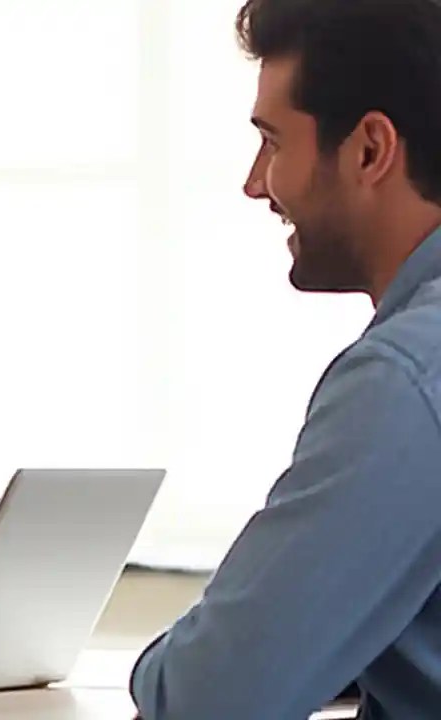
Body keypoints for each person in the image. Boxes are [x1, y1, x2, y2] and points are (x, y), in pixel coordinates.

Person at [130, 0, 441, 718]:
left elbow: (204, 699)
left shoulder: (404, 381)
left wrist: (163, 659)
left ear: (369, 150)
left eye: (273, 141)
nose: (255, 181)